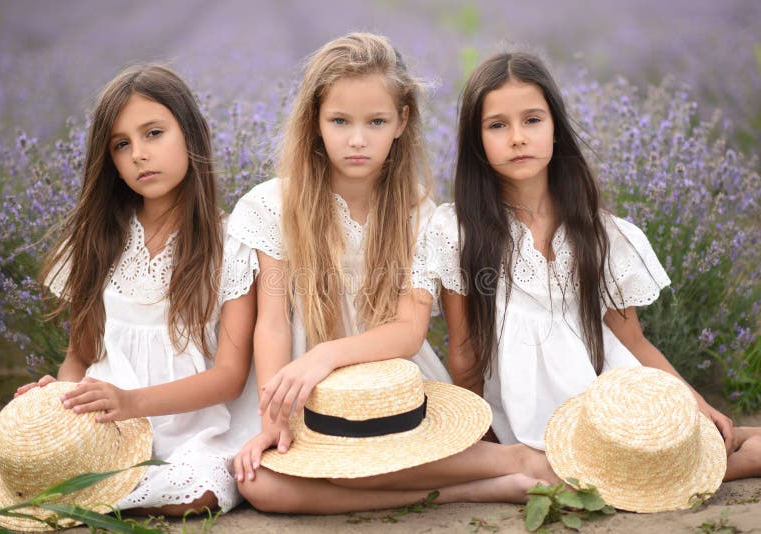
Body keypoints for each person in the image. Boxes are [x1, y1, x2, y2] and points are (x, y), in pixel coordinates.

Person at [228, 33, 556, 515]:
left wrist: (327, 355)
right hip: (300, 390)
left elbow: (408, 330)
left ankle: (517, 457)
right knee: (262, 486)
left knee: (377, 451)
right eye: (339, 121)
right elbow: (272, 321)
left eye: (376, 121)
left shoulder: (417, 213)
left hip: (390, 385)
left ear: (402, 121)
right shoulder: (272, 205)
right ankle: (483, 483)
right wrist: (272, 416)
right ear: (315, 122)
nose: (357, 139)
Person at [416, 51, 761, 481]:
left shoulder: (601, 233)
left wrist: (694, 400)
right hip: (526, 418)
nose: (517, 137)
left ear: (556, 128)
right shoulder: (458, 230)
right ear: (477, 141)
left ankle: (723, 444)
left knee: (666, 451)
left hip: (610, 400)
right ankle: (735, 452)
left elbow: (633, 343)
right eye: (497, 125)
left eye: (532, 120)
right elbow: (464, 353)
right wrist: (475, 433)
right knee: (595, 473)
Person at [0, 64, 261, 514]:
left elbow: (230, 377)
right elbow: (79, 357)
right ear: (111, 162)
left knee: (197, 494)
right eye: (122, 144)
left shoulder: (230, 244)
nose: (139, 154)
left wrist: (132, 401)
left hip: (190, 432)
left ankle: (16, 482)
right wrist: (58, 403)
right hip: (102, 427)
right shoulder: (99, 240)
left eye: (153, 133)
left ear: (193, 134)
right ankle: (33, 473)